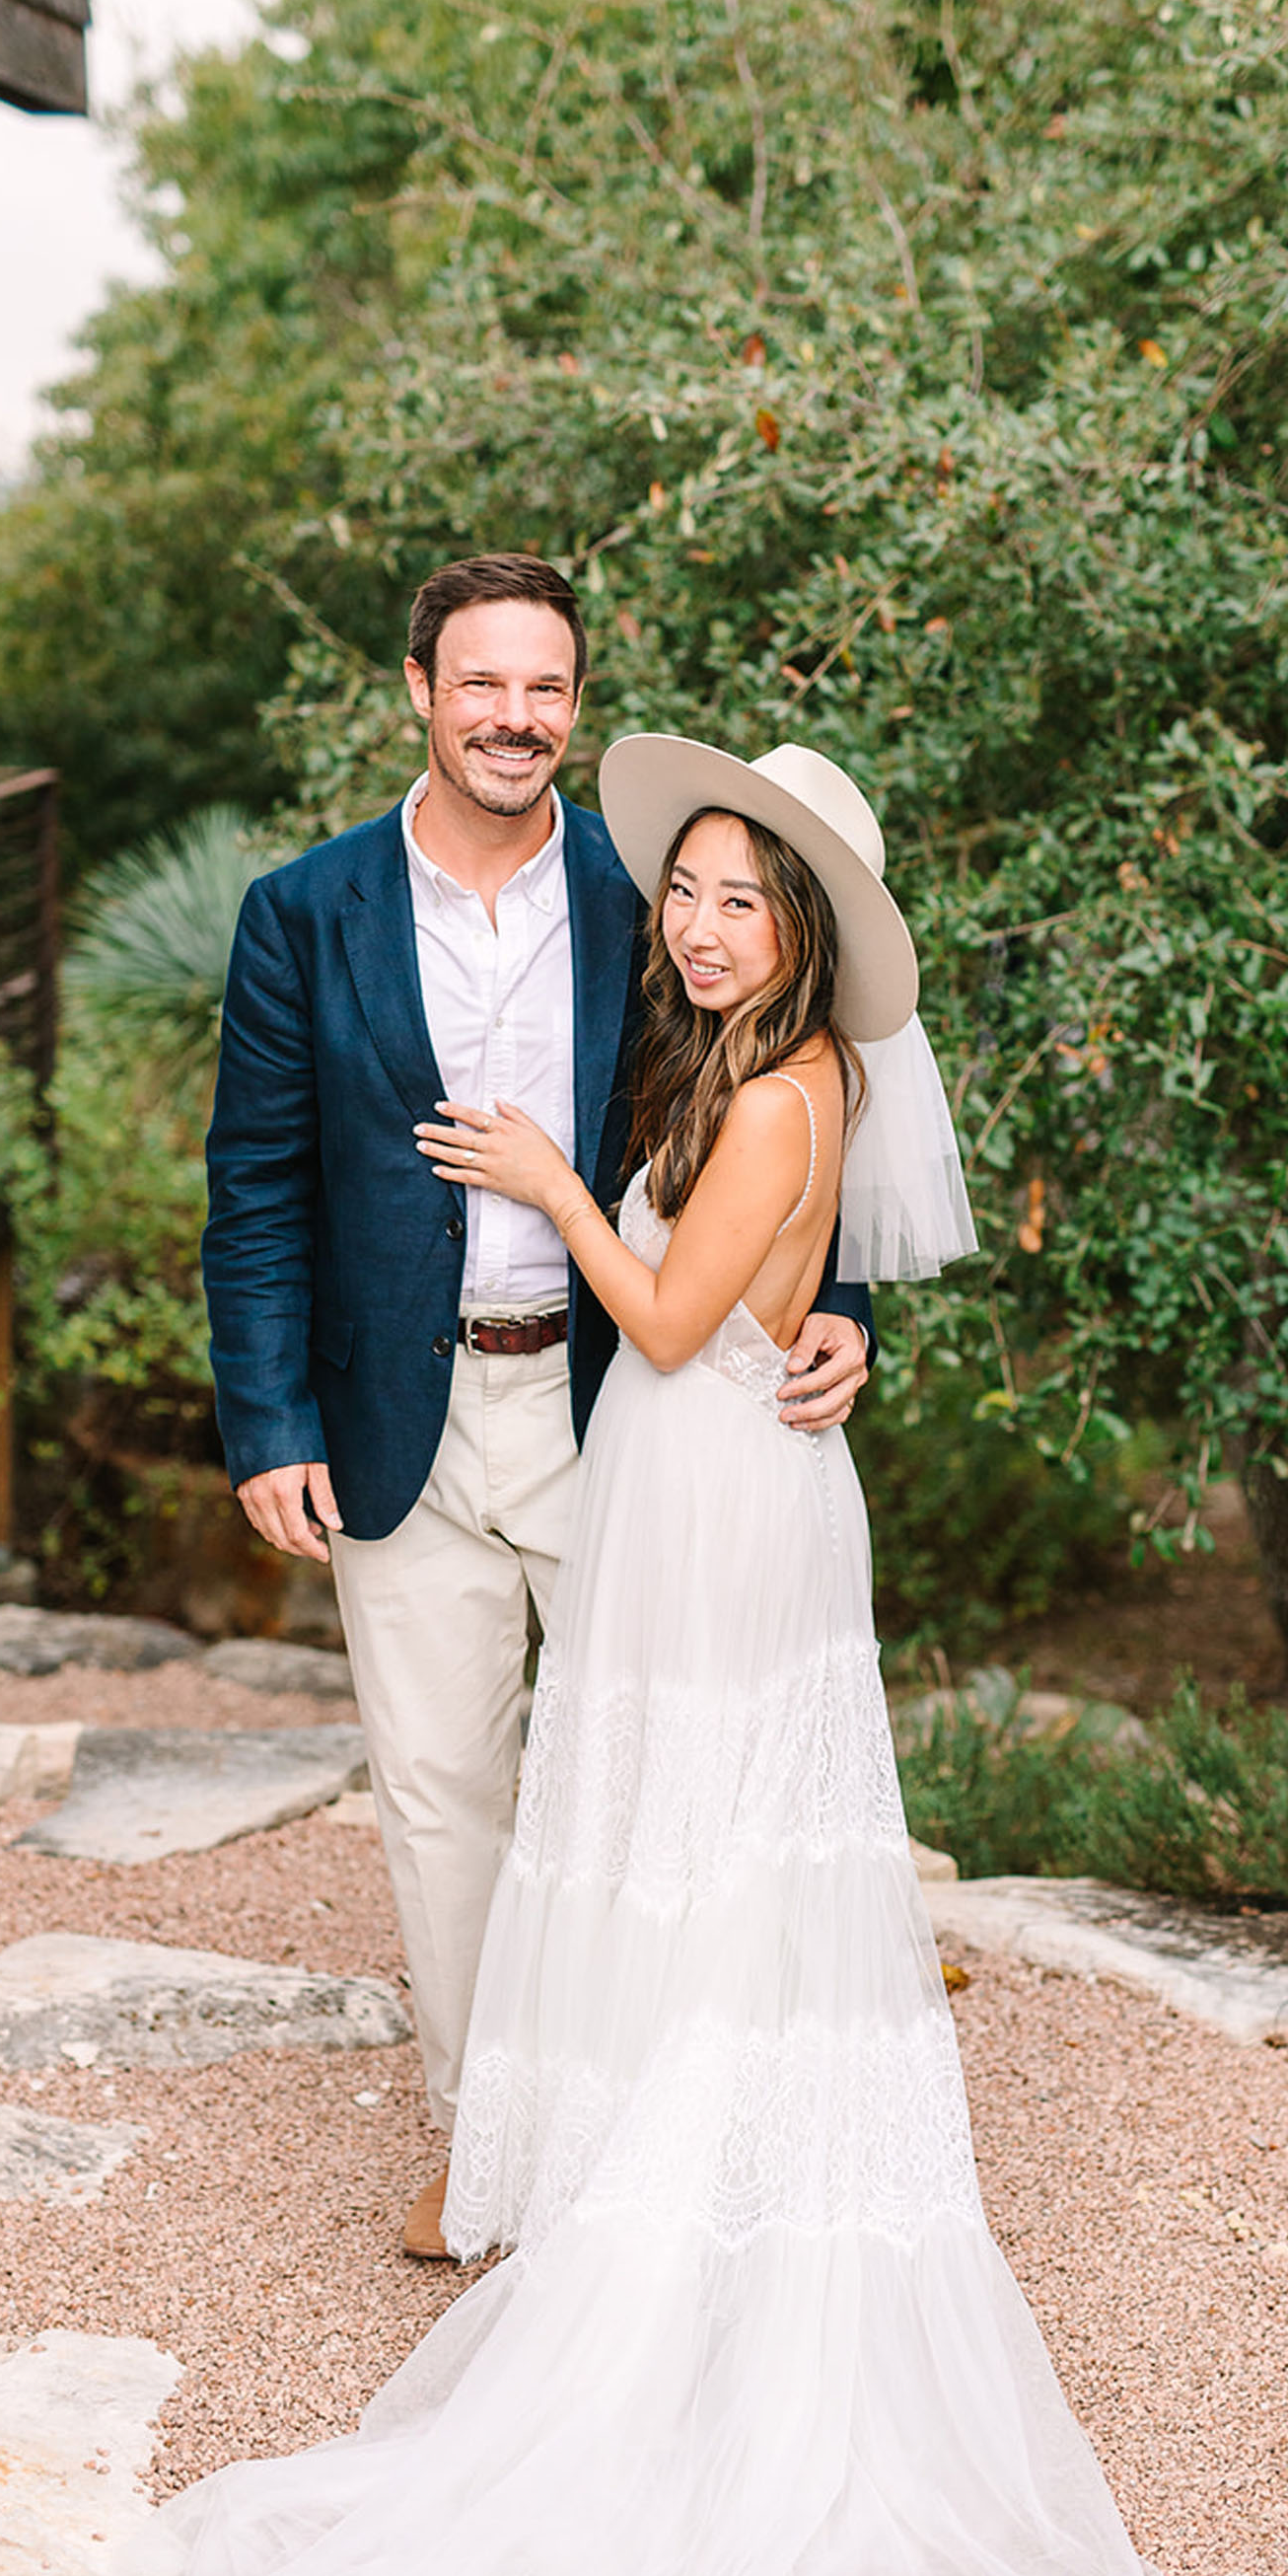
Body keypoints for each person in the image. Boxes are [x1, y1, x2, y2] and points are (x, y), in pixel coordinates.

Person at [155, 733, 1229, 2576]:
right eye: (697, 888)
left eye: (750, 899)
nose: (705, 920)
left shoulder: (781, 1087)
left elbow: (678, 1313)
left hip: (707, 1477)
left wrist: (554, 1179)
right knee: (644, 1820)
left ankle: (685, 2205)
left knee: (714, 1830)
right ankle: (595, 2149)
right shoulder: (706, 1047)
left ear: (808, 930)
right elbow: (734, 1277)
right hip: (664, 1464)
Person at [201, 555, 872, 2257]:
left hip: (617, 1409)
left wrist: (837, 1305)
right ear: (419, 686)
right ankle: (486, 2144)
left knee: (668, 1783)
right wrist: (270, 1418)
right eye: (484, 684)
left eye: (548, 688)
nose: (517, 718)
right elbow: (257, 1187)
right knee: (444, 1799)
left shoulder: (646, 896)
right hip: (393, 1423)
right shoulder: (304, 912)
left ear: (576, 702)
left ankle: (674, 2152)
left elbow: (767, 1099)